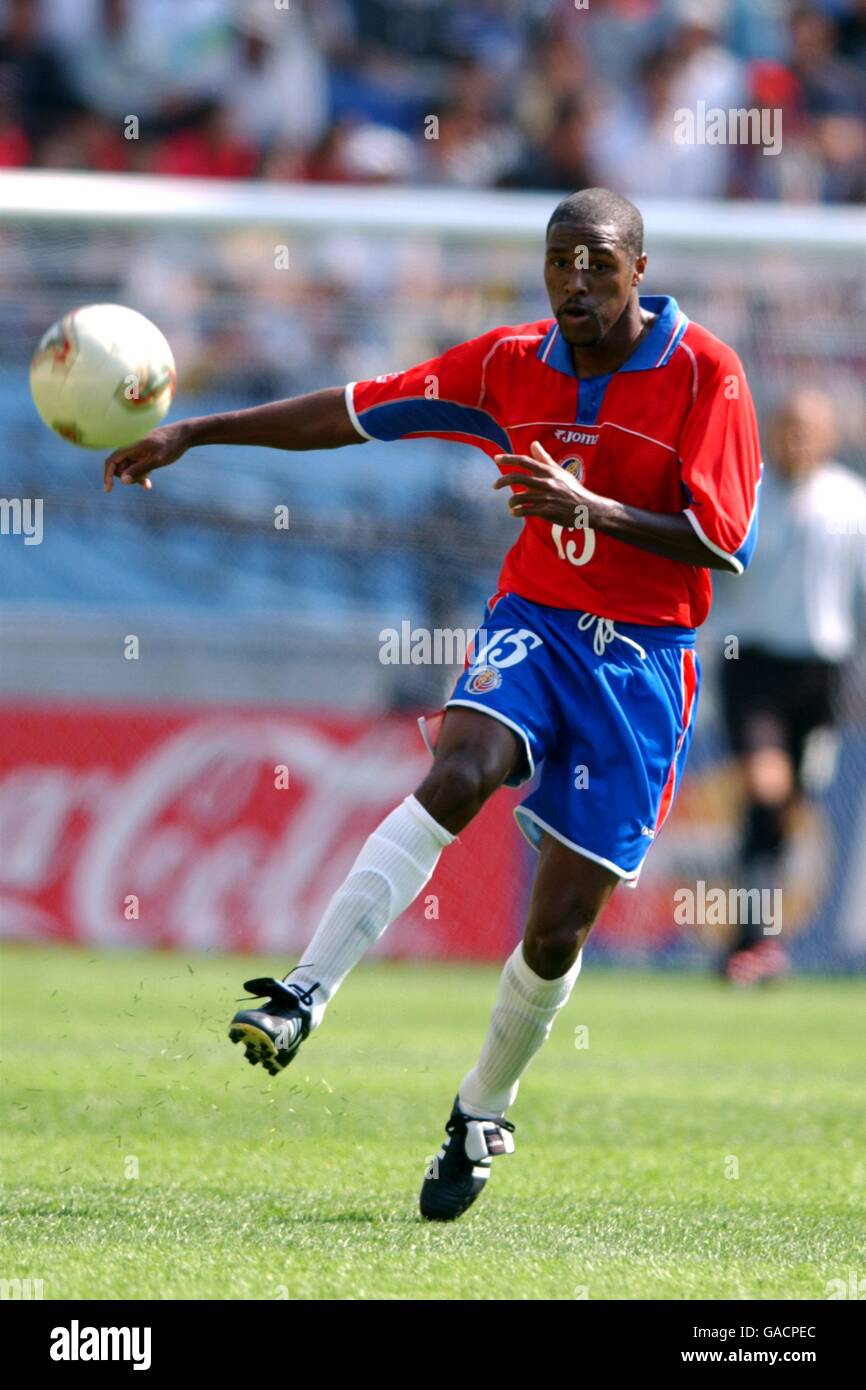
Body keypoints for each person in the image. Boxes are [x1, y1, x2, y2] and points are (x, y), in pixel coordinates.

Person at [103, 187, 762, 1222]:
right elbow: (355, 412)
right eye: (557, 261)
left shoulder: (703, 373)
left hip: (640, 662)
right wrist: (198, 431)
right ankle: (302, 991)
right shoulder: (507, 363)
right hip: (535, 623)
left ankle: (481, 1105)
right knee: (456, 771)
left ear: (638, 265)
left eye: (595, 260)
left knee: (555, 935)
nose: (573, 280)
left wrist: (584, 504)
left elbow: (722, 539)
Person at [715, 388, 866, 984]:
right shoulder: (745, 498)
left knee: (781, 812)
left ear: (830, 436)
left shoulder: (852, 504)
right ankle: (755, 942)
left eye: (808, 427)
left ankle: (751, 944)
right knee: (768, 787)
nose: (795, 438)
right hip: (753, 668)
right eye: (786, 426)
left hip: (820, 676)